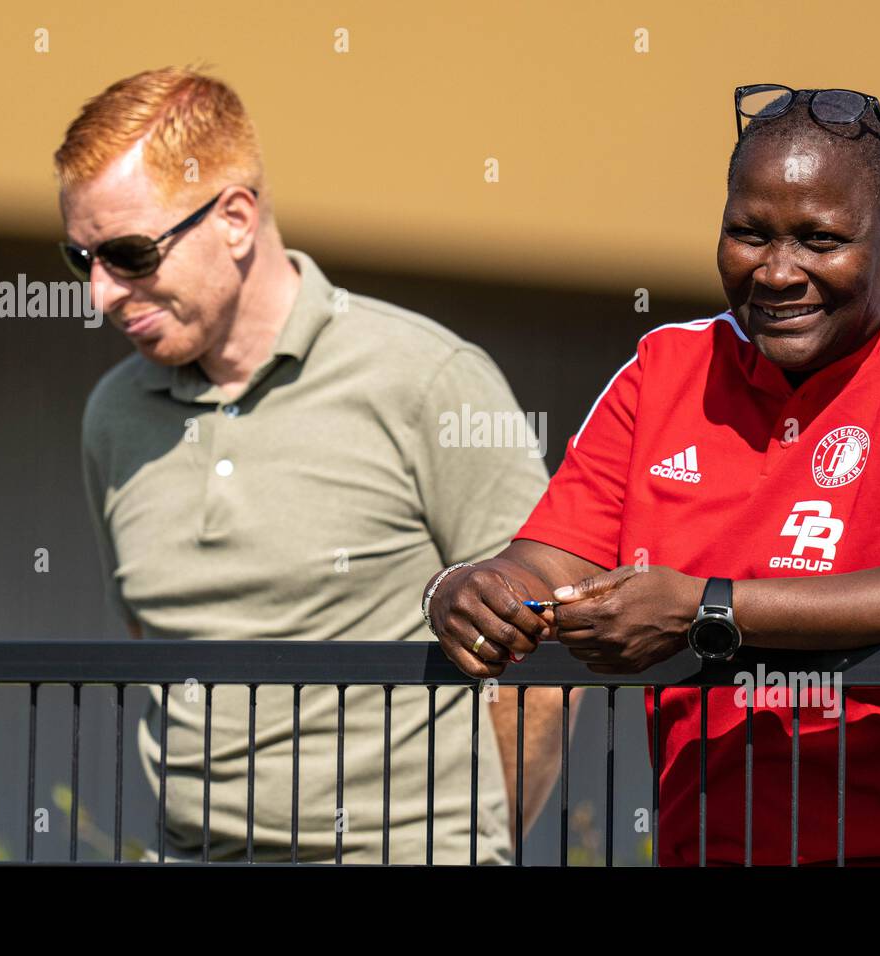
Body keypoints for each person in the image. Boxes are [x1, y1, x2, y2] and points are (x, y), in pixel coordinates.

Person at [425, 85, 880, 866]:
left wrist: (710, 611)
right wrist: (472, 590)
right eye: (749, 233)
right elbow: (548, 560)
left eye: (820, 238)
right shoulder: (662, 370)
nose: (777, 273)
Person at [62, 67, 561, 863]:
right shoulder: (112, 417)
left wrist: (471, 842)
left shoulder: (425, 378)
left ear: (233, 218)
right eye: (80, 257)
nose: (100, 293)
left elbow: (541, 657)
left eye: (128, 253)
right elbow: (152, 628)